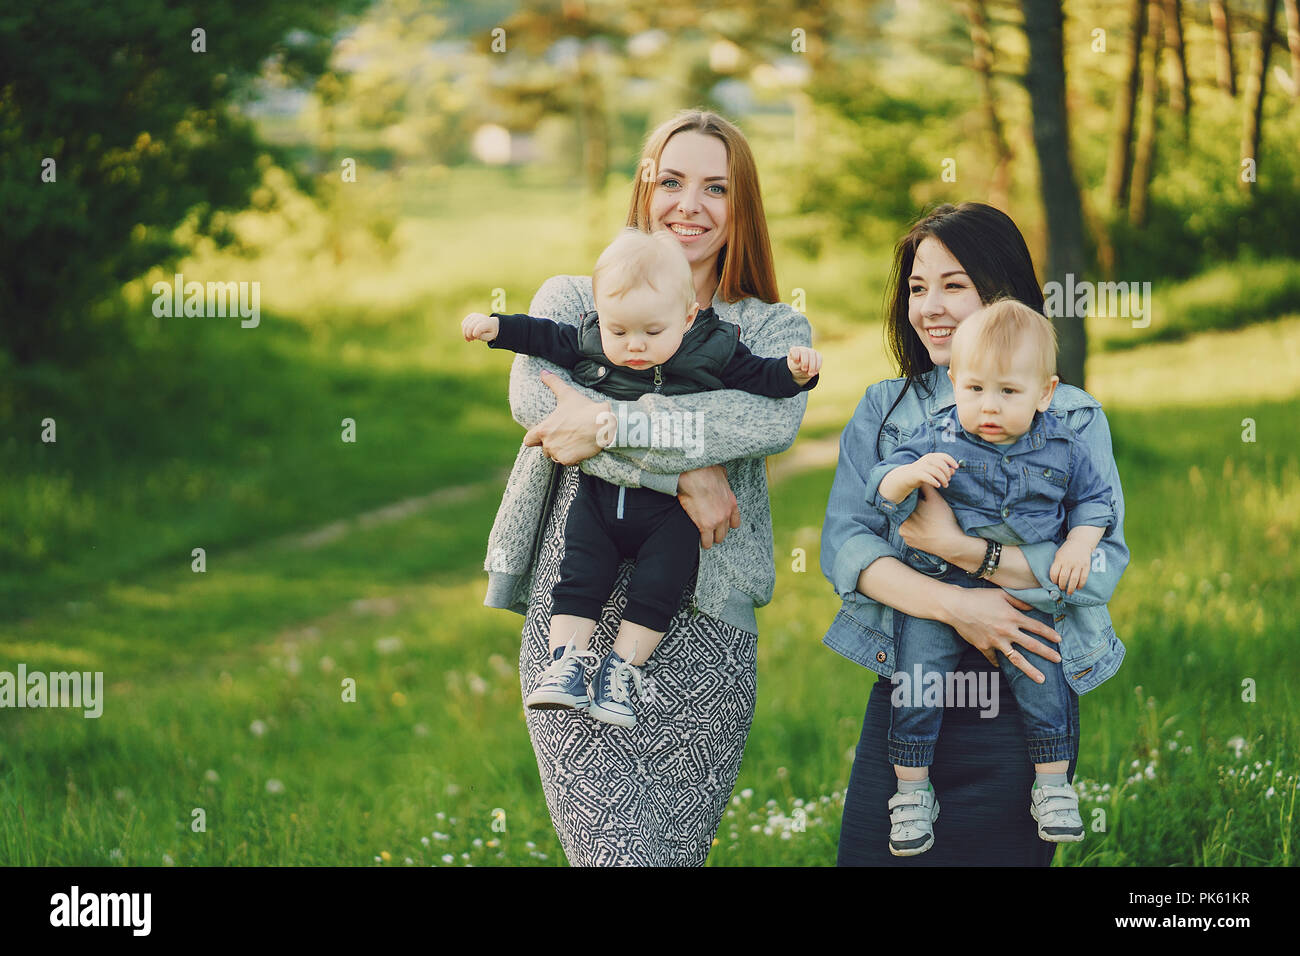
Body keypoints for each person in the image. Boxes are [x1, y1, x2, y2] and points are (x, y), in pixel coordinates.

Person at [481, 109, 815, 865]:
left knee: (670, 856)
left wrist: (603, 425)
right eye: (671, 180)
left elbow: (759, 423)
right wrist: (687, 468)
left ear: (743, 207)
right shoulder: (572, 298)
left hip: (707, 627)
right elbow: (537, 405)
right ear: (645, 189)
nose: (688, 205)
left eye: (715, 188)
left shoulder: (770, 332)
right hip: (573, 627)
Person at [820, 202, 1129, 866]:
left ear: (1001, 287)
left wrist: (963, 551)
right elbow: (847, 548)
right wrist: (959, 605)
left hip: (1024, 684)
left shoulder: (1070, 416)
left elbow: (1100, 566)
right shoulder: (885, 409)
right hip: (909, 685)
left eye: (952, 284)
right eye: (916, 287)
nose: (929, 306)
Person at [465, 227, 819, 728]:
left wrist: (797, 374)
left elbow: (764, 386)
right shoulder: (590, 337)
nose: (634, 347)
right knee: (578, 574)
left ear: (687, 316)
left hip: (669, 518)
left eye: (653, 333)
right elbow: (543, 336)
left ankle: (623, 669)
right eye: (620, 332)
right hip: (599, 499)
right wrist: (497, 328)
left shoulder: (715, 347)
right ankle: (566, 663)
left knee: (660, 585)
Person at [864, 298, 1121, 855]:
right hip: (940, 587)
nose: (989, 406)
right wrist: (908, 475)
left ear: (1045, 393)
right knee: (917, 678)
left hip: (1021, 589)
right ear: (954, 380)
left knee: (1043, 674)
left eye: (1009, 392)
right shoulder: (937, 435)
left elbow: (1096, 502)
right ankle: (912, 791)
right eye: (975, 388)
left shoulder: (1065, 442)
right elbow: (880, 487)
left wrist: (1079, 541)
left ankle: (1052, 785)